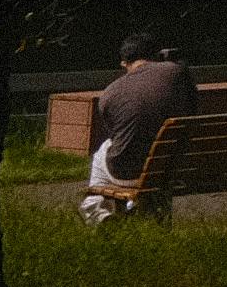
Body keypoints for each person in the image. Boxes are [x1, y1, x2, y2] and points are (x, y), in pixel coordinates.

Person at [79, 35, 194, 221]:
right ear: (157, 55)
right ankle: (136, 206)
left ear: (124, 63)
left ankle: (96, 211)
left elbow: (118, 137)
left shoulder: (109, 93)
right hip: (178, 167)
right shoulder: (178, 72)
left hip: (128, 173)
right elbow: (191, 106)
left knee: (103, 150)